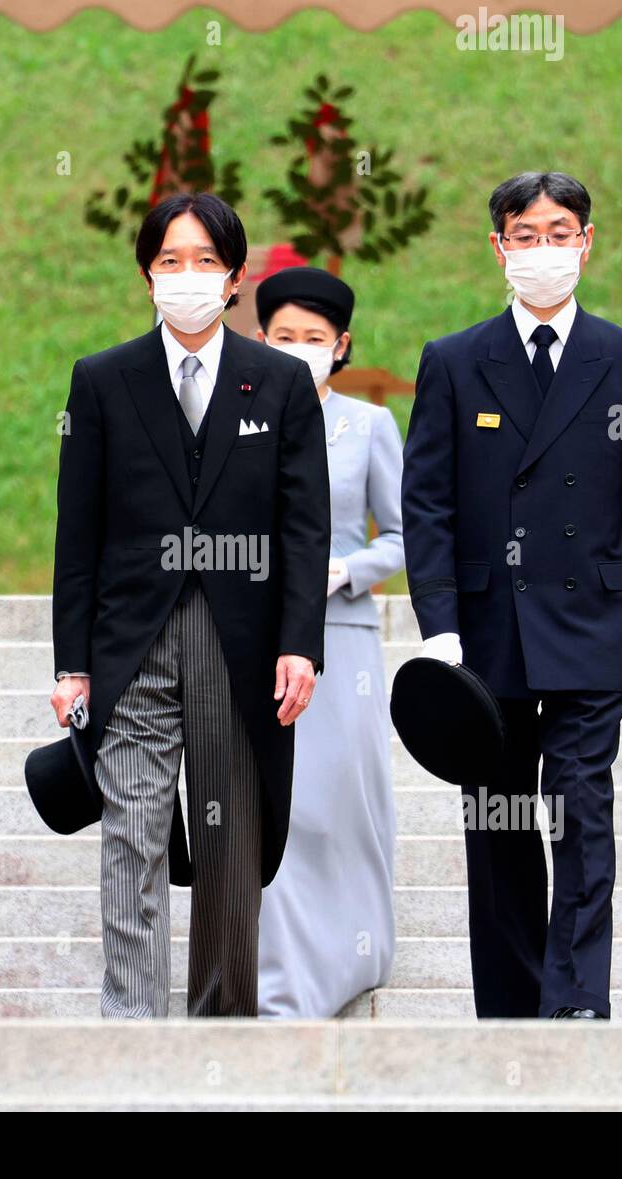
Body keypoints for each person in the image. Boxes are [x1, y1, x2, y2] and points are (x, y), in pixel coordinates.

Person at [50, 192, 331, 1018]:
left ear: (236, 277)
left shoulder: (280, 382)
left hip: (239, 643)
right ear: (146, 274)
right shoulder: (102, 380)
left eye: (205, 260)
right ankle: (131, 1028)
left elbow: (304, 526)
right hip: (131, 639)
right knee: (129, 835)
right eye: (170, 260)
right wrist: (71, 661)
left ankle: (219, 1031)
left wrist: (299, 643)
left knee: (226, 840)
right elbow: (79, 531)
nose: (187, 275)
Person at [401, 172, 622, 1020]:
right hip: (487, 635)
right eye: (524, 235)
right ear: (498, 247)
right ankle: (510, 1008)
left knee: (584, 813)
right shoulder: (456, 360)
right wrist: (439, 626)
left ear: (586, 242)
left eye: (558, 233)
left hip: (589, 626)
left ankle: (576, 999)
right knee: (501, 826)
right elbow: (426, 500)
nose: (542, 250)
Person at [252, 267, 404, 1017]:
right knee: (280, 806)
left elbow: (406, 536)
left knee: (339, 800)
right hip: (255, 635)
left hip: (341, 639)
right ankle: (282, 982)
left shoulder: (369, 426)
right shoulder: (238, 417)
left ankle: (359, 949)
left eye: (315, 338)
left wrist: (347, 568)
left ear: (341, 345)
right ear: (259, 339)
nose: (300, 348)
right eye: (285, 337)